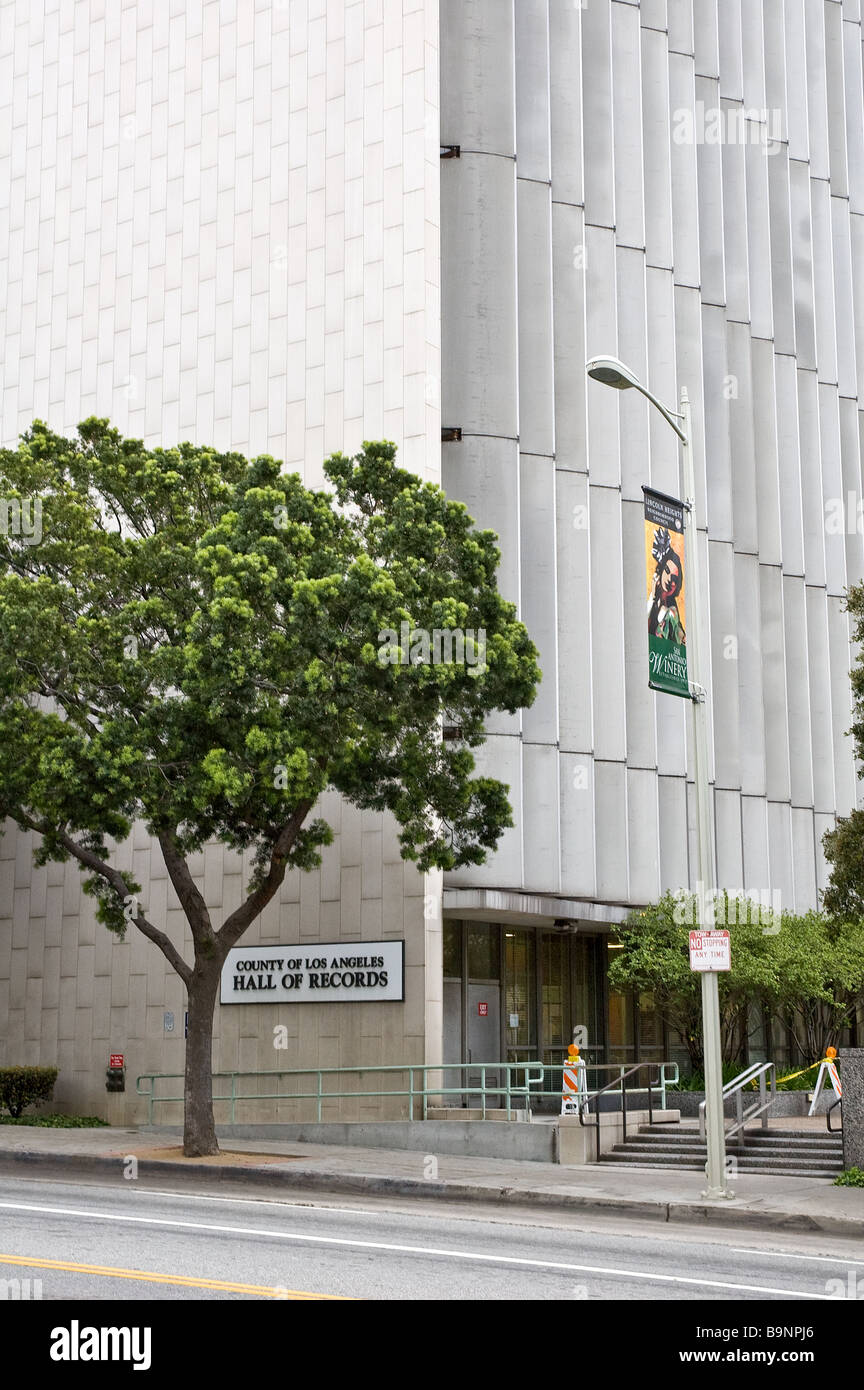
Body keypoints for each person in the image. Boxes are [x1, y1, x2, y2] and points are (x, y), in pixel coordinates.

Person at [648, 536, 685, 644]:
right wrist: (653, 598)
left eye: (674, 578)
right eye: (667, 571)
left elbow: (680, 638)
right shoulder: (652, 600)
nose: (669, 580)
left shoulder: (672, 612)